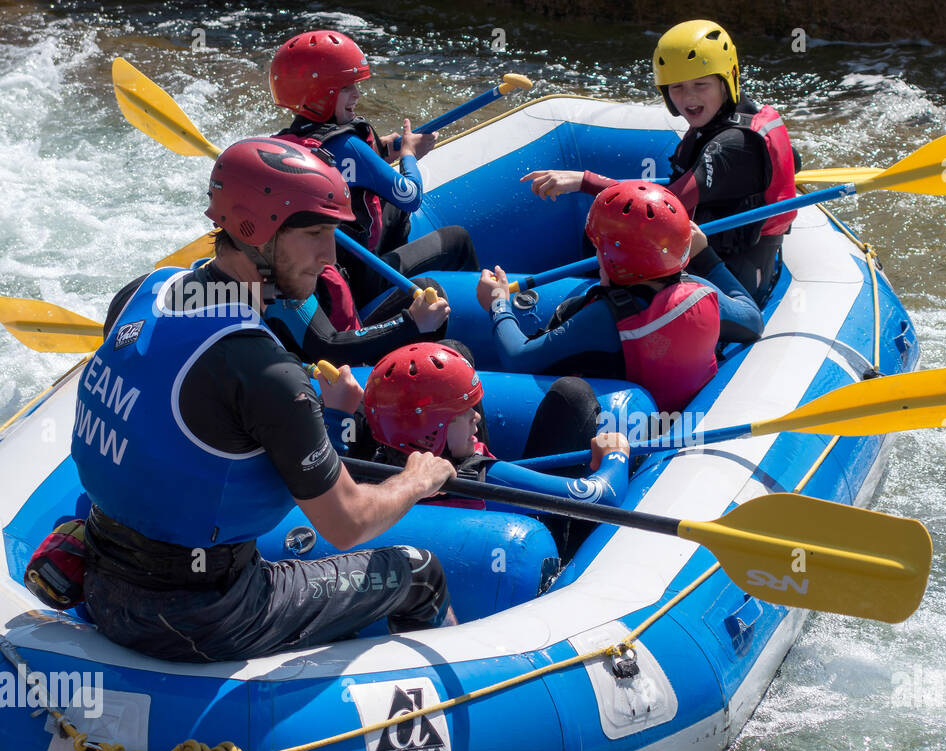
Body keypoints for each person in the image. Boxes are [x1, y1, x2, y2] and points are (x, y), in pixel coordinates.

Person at [71, 137, 461, 663]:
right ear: (256, 231)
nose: (330, 259)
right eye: (317, 234)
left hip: (101, 571)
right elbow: (348, 524)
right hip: (206, 613)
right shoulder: (267, 373)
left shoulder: (145, 291)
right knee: (420, 572)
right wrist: (418, 479)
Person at [522, 20, 798, 305]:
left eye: (700, 84)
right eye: (677, 87)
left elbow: (658, 210)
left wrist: (585, 181)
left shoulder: (734, 146)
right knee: (603, 234)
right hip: (715, 249)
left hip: (732, 276)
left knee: (614, 229)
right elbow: (794, 161)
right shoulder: (733, 116)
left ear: (726, 79)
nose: (689, 98)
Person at [320, 344, 631, 559]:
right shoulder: (483, 477)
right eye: (464, 412)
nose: (477, 417)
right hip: (528, 542)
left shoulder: (370, 463)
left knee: (455, 347)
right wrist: (616, 454)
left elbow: (324, 478)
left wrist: (336, 415)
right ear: (432, 428)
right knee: (573, 396)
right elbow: (603, 497)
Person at [477, 180, 763, 413]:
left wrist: (498, 304)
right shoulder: (702, 292)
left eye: (599, 249)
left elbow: (518, 358)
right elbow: (752, 320)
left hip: (627, 428)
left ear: (616, 259)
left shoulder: (605, 317)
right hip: (682, 418)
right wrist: (707, 256)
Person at [270, 29, 481, 307]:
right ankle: (474, 311)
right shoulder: (350, 146)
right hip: (363, 275)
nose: (357, 95)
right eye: (347, 88)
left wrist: (387, 147)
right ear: (320, 92)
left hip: (328, 270)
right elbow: (411, 196)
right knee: (458, 239)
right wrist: (407, 155)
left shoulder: (284, 144)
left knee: (388, 207)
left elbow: (348, 161)